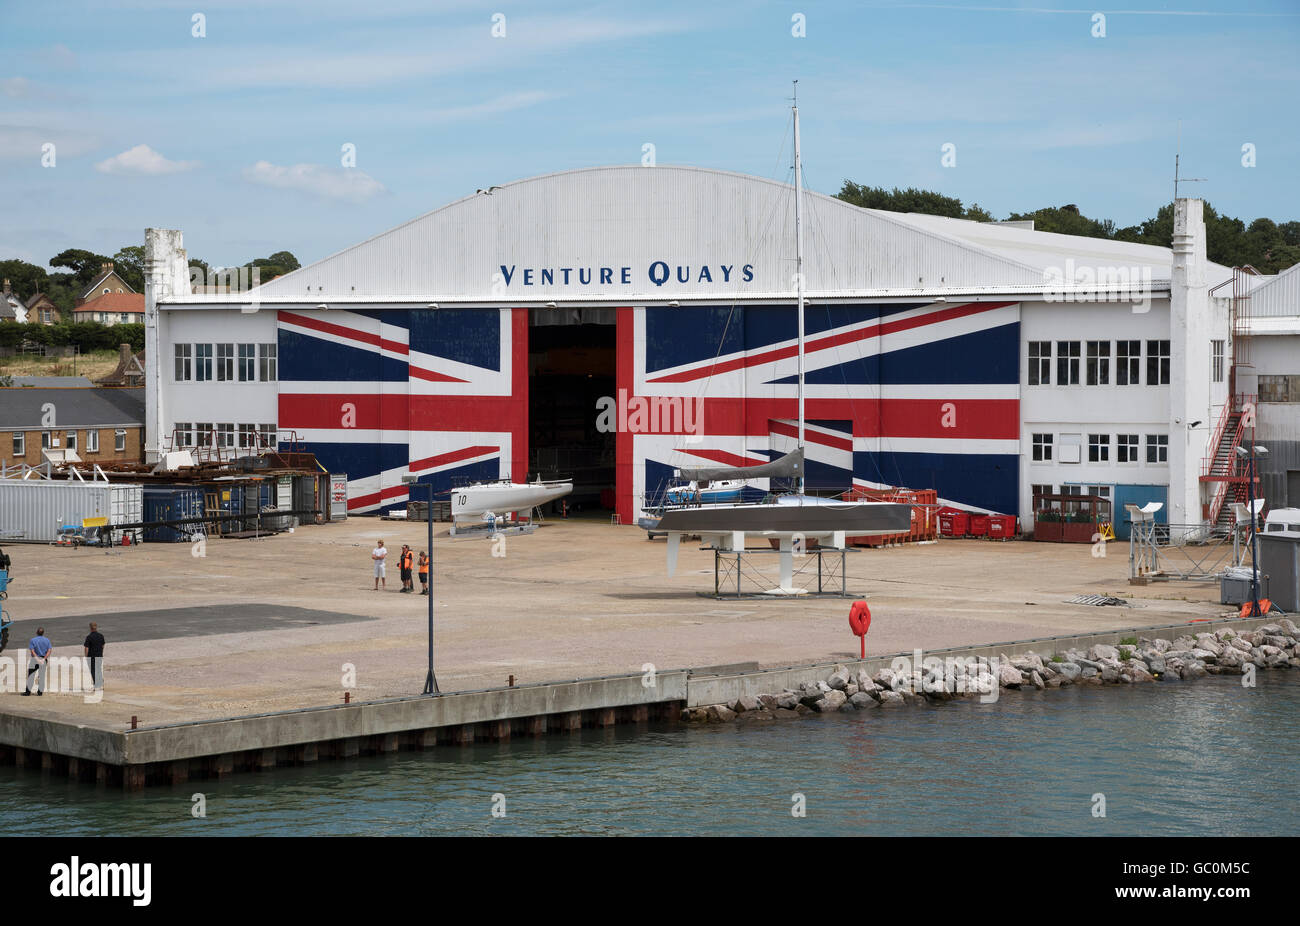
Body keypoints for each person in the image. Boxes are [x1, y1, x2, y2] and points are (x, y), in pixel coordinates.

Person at [23, 627, 52, 696]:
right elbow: (49, 650)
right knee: (41, 676)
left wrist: (37, 659)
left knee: (31, 676)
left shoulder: (33, 640)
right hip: (43, 659)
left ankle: (28, 692)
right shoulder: (47, 640)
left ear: (36, 632)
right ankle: (40, 692)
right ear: (43, 633)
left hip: (34, 660)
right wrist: (43, 659)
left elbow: (32, 651)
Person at [84, 622, 106, 692]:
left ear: (90, 628)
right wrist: (101, 652)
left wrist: (86, 656)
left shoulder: (89, 637)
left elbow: (86, 648)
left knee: (93, 670)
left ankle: (96, 685)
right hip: (99, 655)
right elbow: (103, 645)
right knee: (98, 669)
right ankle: (101, 685)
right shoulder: (101, 636)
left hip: (92, 656)